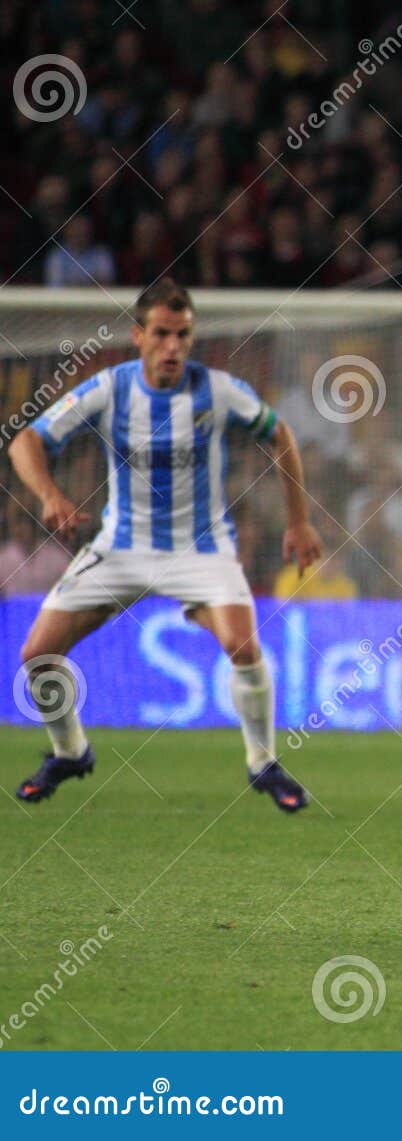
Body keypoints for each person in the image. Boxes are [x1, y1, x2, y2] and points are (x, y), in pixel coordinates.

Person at [8, 278, 323, 811]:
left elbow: (281, 436)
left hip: (201, 550)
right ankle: (70, 752)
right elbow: (26, 440)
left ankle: (263, 763)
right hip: (121, 548)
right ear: (138, 336)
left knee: (244, 648)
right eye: (161, 334)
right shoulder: (110, 388)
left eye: (183, 335)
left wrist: (298, 521)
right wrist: (50, 495)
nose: (173, 346)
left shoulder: (217, 390)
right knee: (37, 655)